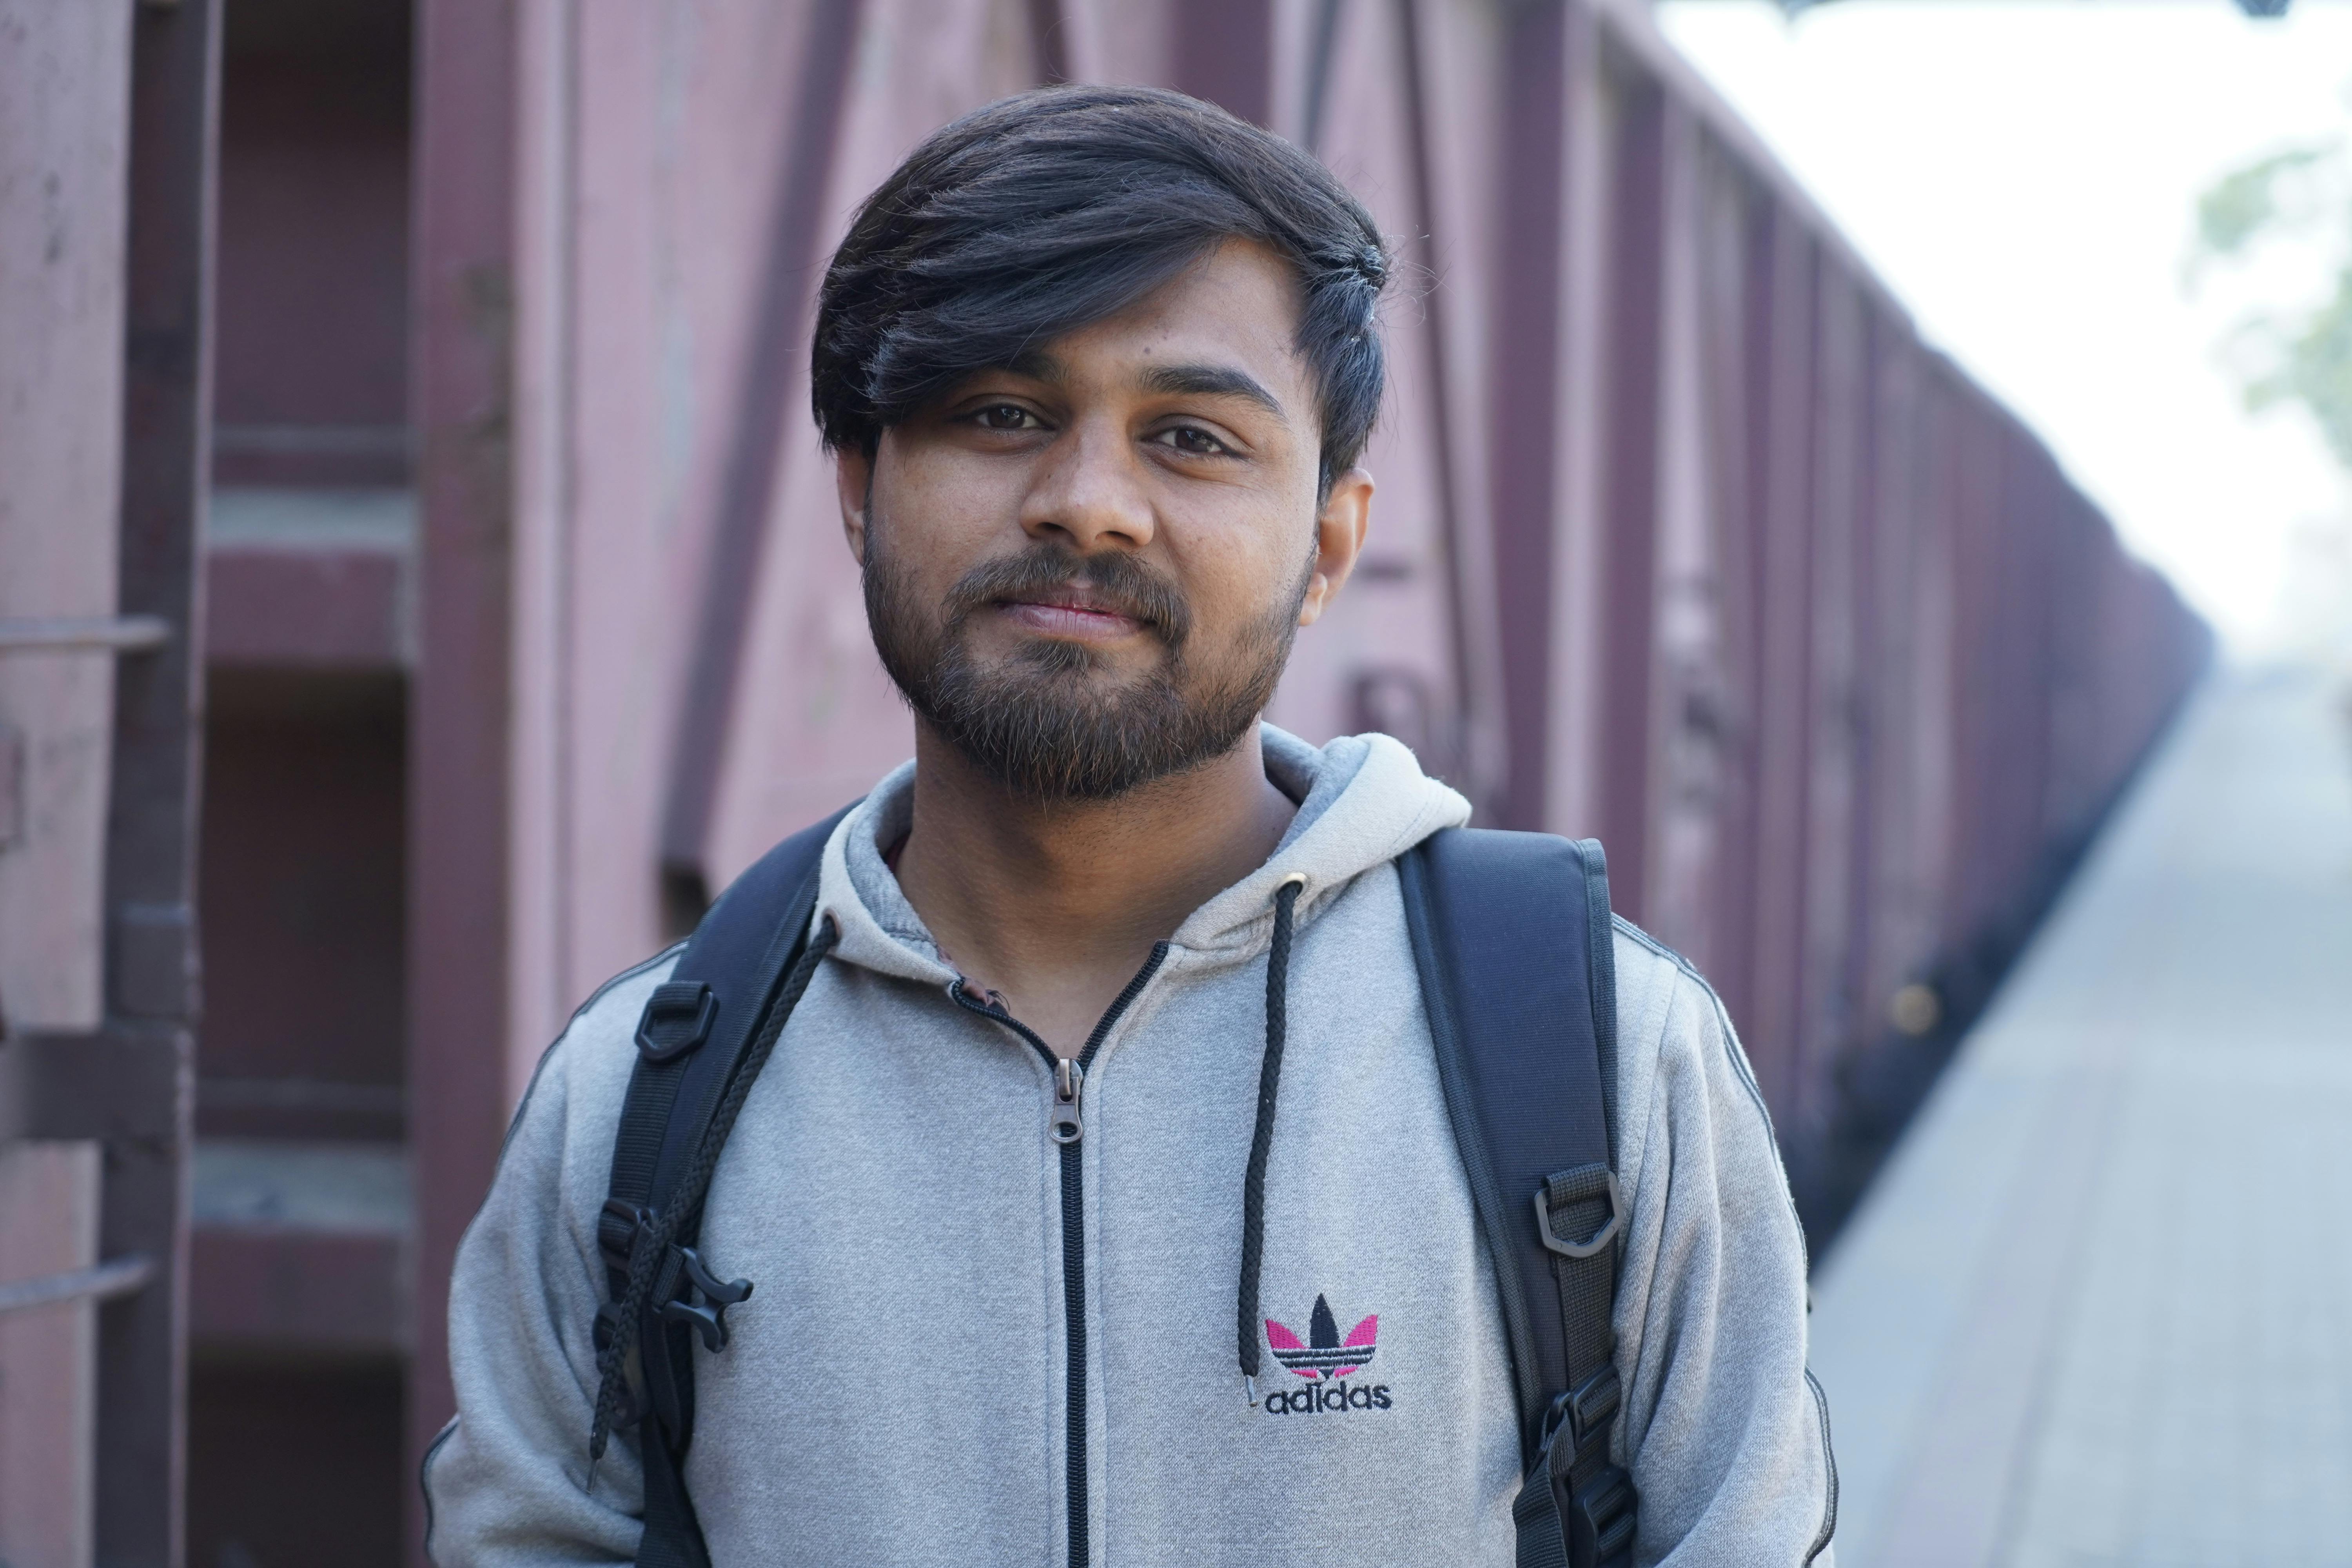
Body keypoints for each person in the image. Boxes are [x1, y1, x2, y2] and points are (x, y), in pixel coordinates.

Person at [422, 84, 1835, 1567]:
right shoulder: (645, 1093)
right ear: (859, 490)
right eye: (1002, 415)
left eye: (1193, 438)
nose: (1090, 504)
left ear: (1329, 544)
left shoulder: (1599, 1052)